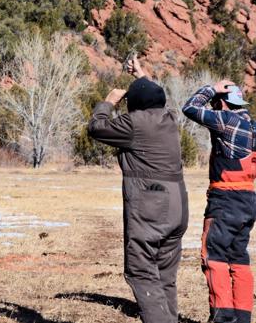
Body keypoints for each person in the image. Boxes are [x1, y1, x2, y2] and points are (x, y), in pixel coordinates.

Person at [88, 56, 188, 323]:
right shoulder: (169, 118)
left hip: (151, 206)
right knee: (165, 274)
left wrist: (108, 101)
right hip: (178, 206)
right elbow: (154, 96)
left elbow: (96, 128)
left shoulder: (134, 123)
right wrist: (141, 76)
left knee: (141, 271)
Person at [182, 80, 256, 323]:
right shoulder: (254, 125)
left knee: (214, 257)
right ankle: (242, 317)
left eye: (217, 103)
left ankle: (223, 319)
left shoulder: (226, 121)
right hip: (247, 199)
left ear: (222, 102)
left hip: (225, 198)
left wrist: (210, 89)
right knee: (238, 258)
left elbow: (190, 108)